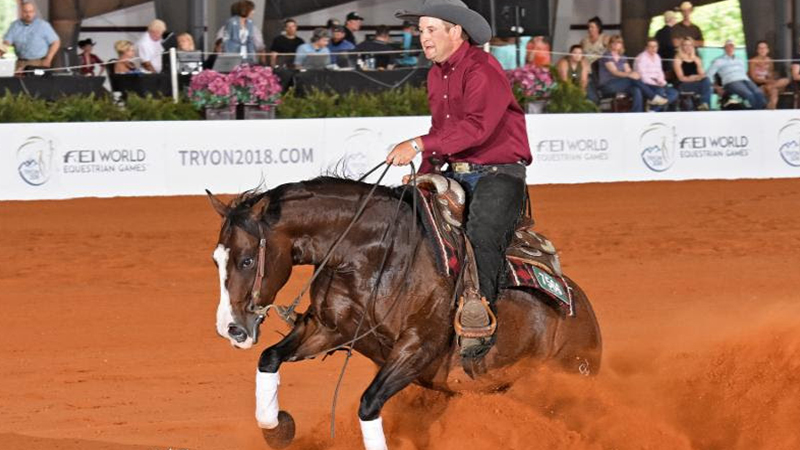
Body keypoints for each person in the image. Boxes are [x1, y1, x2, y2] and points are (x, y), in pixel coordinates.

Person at [389, 0, 531, 354]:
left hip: (498, 173)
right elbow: (443, 130)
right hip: (457, 172)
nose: (423, 38)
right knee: (404, 221)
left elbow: (477, 128)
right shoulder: (437, 74)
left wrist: (418, 144)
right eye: (421, 31)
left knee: (481, 234)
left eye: (431, 29)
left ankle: (478, 315)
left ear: (455, 31)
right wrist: (423, 174)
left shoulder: (482, 68)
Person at [597, 35, 668, 112]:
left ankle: (637, 113)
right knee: (631, 79)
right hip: (608, 85)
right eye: (613, 42)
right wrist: (630, 75)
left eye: (619, 42)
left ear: (622, 45)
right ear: (610, 44)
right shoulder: (607, 55)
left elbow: (628, 70)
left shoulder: (623, 57)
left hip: (622, 84)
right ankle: (652, 97)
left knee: (636, 89)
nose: (616, 44)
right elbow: (614, 72)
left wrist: (634, 74)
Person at [0, 0, 60, 73]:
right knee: (17, 83)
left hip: (38, 63)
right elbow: (6, 43)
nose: (28, 14)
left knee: (36, 83)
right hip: (20, 63)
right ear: (21, 12)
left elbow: (56, 42)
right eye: (26, 12)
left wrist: (48, 59)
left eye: (31, 11)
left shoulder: (43, 25)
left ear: (34, 12)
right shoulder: (14, 26)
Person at [707, 39, 766, 109]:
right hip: (731, 82)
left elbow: (744, 72)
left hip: (744, 80)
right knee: (748, 94)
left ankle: (759, 112)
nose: (729, 48)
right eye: (727, 47)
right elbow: (709, 75)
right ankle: (756, 114)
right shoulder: (718, 61)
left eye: (731, 46)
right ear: (724, 48)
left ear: (734, 48)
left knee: (758, 93)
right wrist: (717, 87)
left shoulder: (740, 60)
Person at [634, 38, 678, 111]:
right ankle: (654, 109)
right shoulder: (641, 57)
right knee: (660, 91)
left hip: (658, 82)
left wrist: (662, 82)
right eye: (651, 46)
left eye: (655, 46)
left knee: (674, 93)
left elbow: (660, 72)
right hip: (646, 83)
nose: (653, 48)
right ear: (646, 47)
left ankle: (653, 110)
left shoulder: (657, 56)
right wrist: (656, 83)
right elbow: (643, 76)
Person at [749, 40, 789, 110]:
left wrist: (771, 78)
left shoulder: (769, 60)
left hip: (769, 84)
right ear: (757, 50)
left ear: (767, 50)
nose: (762, 50)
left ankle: (770, 107)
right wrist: (767, 81)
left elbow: (770, 74)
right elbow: (753, 78)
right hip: (760, 84)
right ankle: (772, 109)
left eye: (764, 48)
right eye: (760, 48)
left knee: (786, 80)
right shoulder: (753, 61)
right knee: (774, 90)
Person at [673, 37, 711, 110]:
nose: (688, 47)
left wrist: (696, 77)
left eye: (690, 45)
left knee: (706, 80)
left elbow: (702, 75)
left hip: (694, 83)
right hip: (683, 84)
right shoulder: (678, 58)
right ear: (682, 46)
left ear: (692, 46)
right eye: (685, 45)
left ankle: (704, 105)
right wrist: (694, 78)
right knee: (707, 88)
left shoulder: (696, 59)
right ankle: (704, 105)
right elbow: (681, 78)